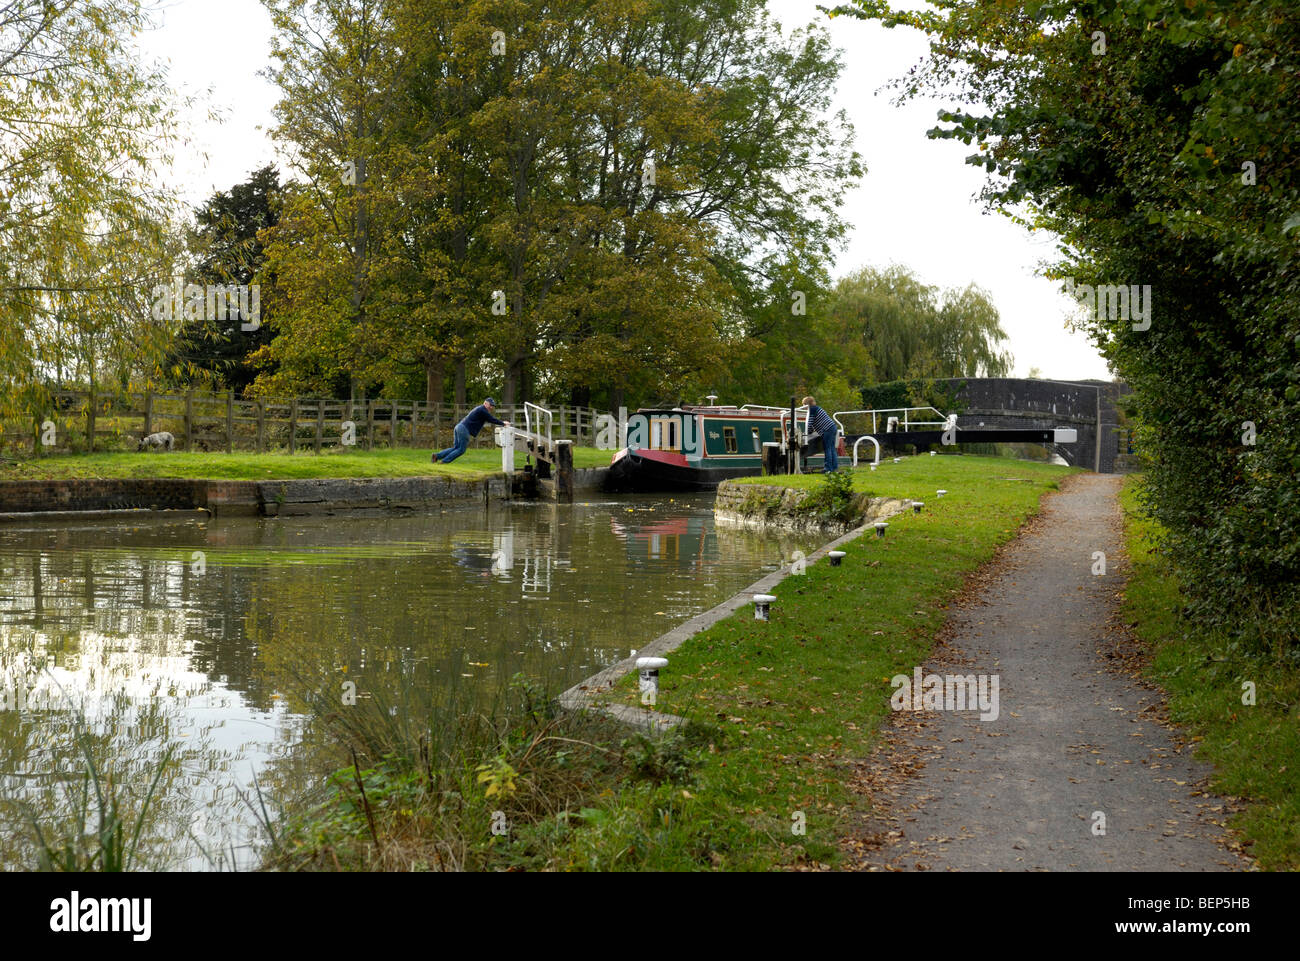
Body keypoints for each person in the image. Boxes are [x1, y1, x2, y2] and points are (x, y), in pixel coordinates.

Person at [433, 397, 512, 464]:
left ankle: (437, 456)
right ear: (485, 403)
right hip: (463, 429)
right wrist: (503, 423)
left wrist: (502, 423)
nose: (491, 407)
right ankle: (444, 462)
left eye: (493, 406)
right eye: (490, 405)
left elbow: (490, 419)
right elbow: (492, 419)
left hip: (459, 427)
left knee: (455, 448)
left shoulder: (481, 409)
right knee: (461, 450)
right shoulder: (482, 410)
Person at [802, 395, 840, 472]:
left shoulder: (811, 410)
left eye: (803, 405)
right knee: (832, 448)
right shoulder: (816, 408)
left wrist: (806, 433)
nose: (803, 407)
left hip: (827, 429)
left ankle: (828, 468)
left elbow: (809, 424)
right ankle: (834, 467)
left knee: (827, 448)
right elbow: (813, 423)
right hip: (832, 427)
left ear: (807, 404)